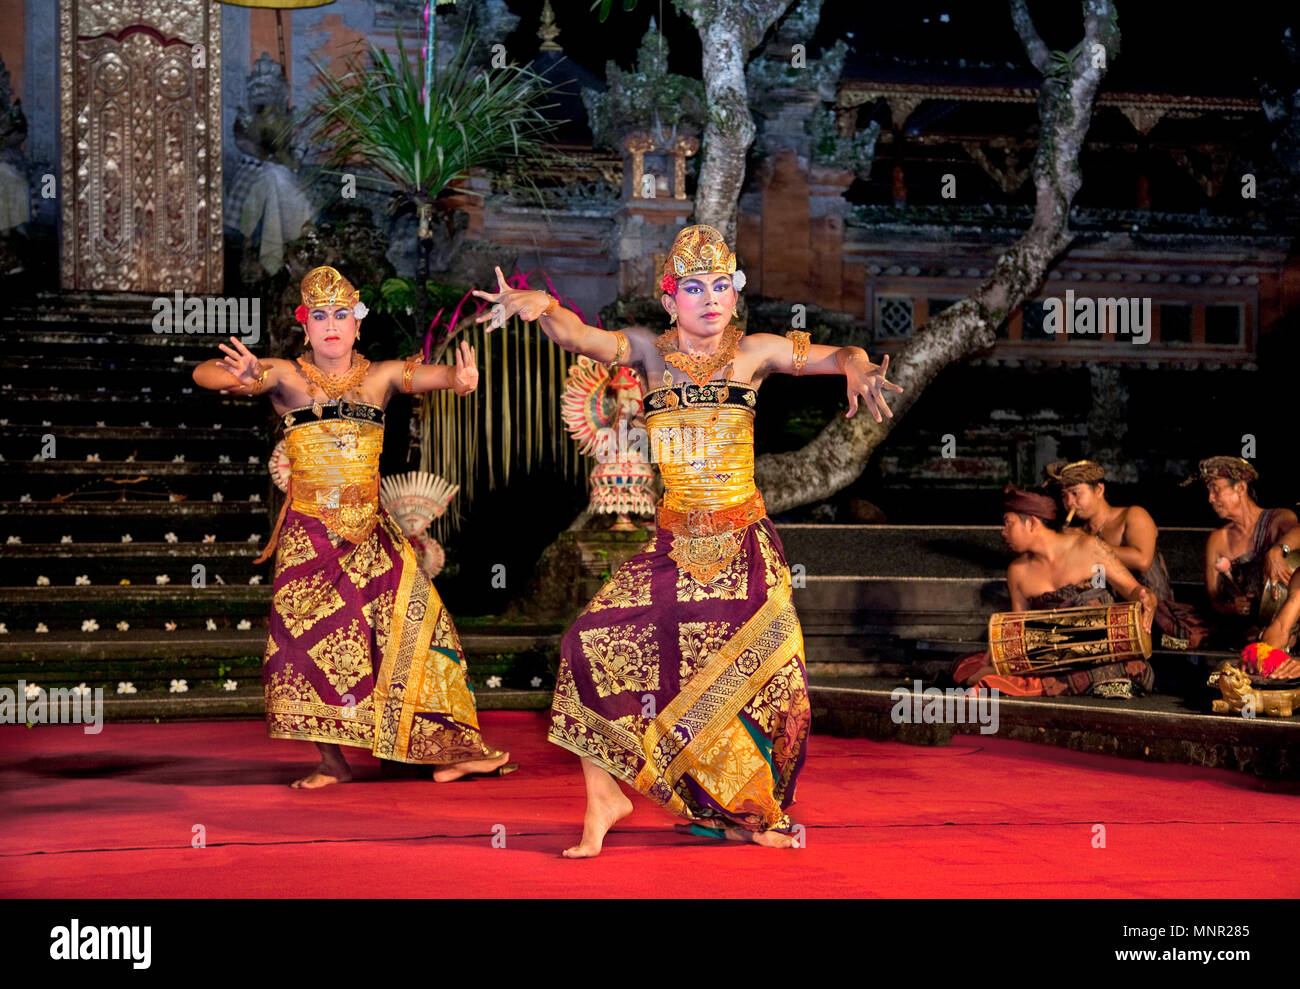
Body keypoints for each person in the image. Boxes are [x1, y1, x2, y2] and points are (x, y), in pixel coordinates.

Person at [472, 223, 903, 856]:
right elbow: (579, 336)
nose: (710, 299)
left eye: (721, 286)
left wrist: (859, 368)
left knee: (766, 689)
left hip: (744, 550)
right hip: (673, 550)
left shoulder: (753, 351)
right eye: (694, 288)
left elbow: (837, 354)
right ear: (671, 301)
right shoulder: (648, 349)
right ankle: (605, 798)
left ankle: (746, 809)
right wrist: (542, 309)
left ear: (735, 295)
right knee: (584, 645)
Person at [192, 265, 513, 787]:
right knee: (304, 644)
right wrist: (240, 377)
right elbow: (203, 373)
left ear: (357, 323)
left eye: (342, 314)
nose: (331, 325)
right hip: (309, 535)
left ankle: (447, 749)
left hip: (372, 532)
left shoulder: (380, 375)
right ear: (306, 324)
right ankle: (331, 762)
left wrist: (460, 379)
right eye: (320, 316)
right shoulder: (285, 375)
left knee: (423, 626)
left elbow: (434, 376)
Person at [952, 487, 1157, 698]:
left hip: (1102, 650)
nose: (1003, 532)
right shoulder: (1018, 571)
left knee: (1119, 667)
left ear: (1031, 522)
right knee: (971, 669)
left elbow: (1132, 589)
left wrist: (1146, 596)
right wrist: (993, 661)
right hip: (1051, 655)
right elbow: (1015, 629)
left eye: (1008, 523)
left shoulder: (1089, 547)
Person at [1047, 459, 1208, 649]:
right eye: (1065, 496)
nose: (1069, 502)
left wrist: (1089, 544)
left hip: (1153, 613)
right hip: (1110, 620)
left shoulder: (1132, 515)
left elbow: (1142, 560)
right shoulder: (1080, 533)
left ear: (1099, 490)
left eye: (1075, 493)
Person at [1184, 456, 1297, 645]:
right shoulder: (1218, 540)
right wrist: (1232, 608)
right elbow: (1214, 601)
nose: (1210, 499)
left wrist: (1277, 550)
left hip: (1283, 622)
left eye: (1216, 490)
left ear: (1240, 488)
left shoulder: (1278, 519)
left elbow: (1298, 532)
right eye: (1209, 492)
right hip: (1242, 632)